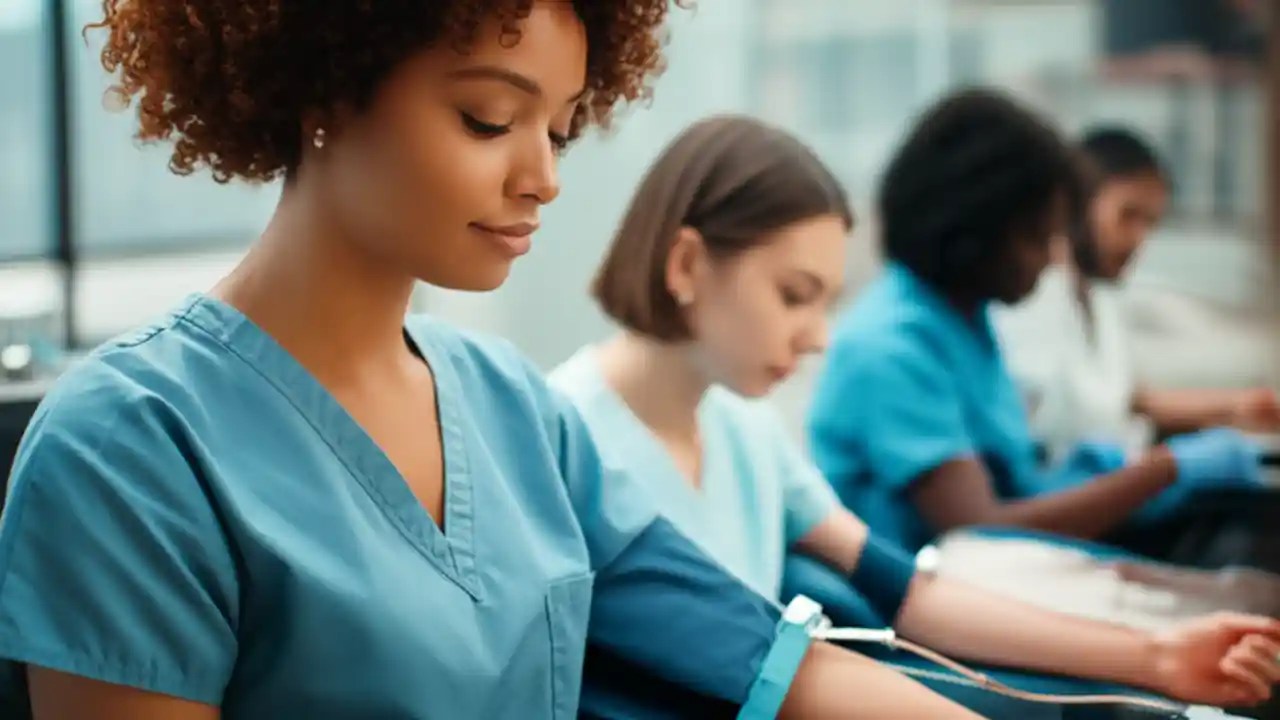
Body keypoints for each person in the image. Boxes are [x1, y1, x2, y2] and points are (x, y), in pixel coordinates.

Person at [0, 3, 990, 719]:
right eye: (487, 119)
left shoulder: (512, 406)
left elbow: (771, 665)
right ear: (322, 89)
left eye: (558, 128)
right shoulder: (127, 449)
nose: (543, 177)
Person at [548, 114, 1280, 715]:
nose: (820, 337)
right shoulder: (558, 438)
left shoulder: (744, 432)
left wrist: (1159, 657)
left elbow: (911, 592)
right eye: (794, 295)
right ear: (684, 267)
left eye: (826, 303)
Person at [805, 89, 1268, 560]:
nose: (1050, 260)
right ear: (972, 229)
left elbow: (1020, 480)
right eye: (1036, 239)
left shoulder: (968, 322)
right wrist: (1163, 470)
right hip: (916, 603)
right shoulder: (890, 346)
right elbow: (978, 529)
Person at [993, 125, 1280, 466]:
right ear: (1075, 201)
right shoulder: (1030, 295)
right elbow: (1050, 429)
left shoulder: (1094, 294)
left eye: (1150, 223)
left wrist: (1237, 407)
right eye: (1127, 215)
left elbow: (1125, 397)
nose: (1138, 239)